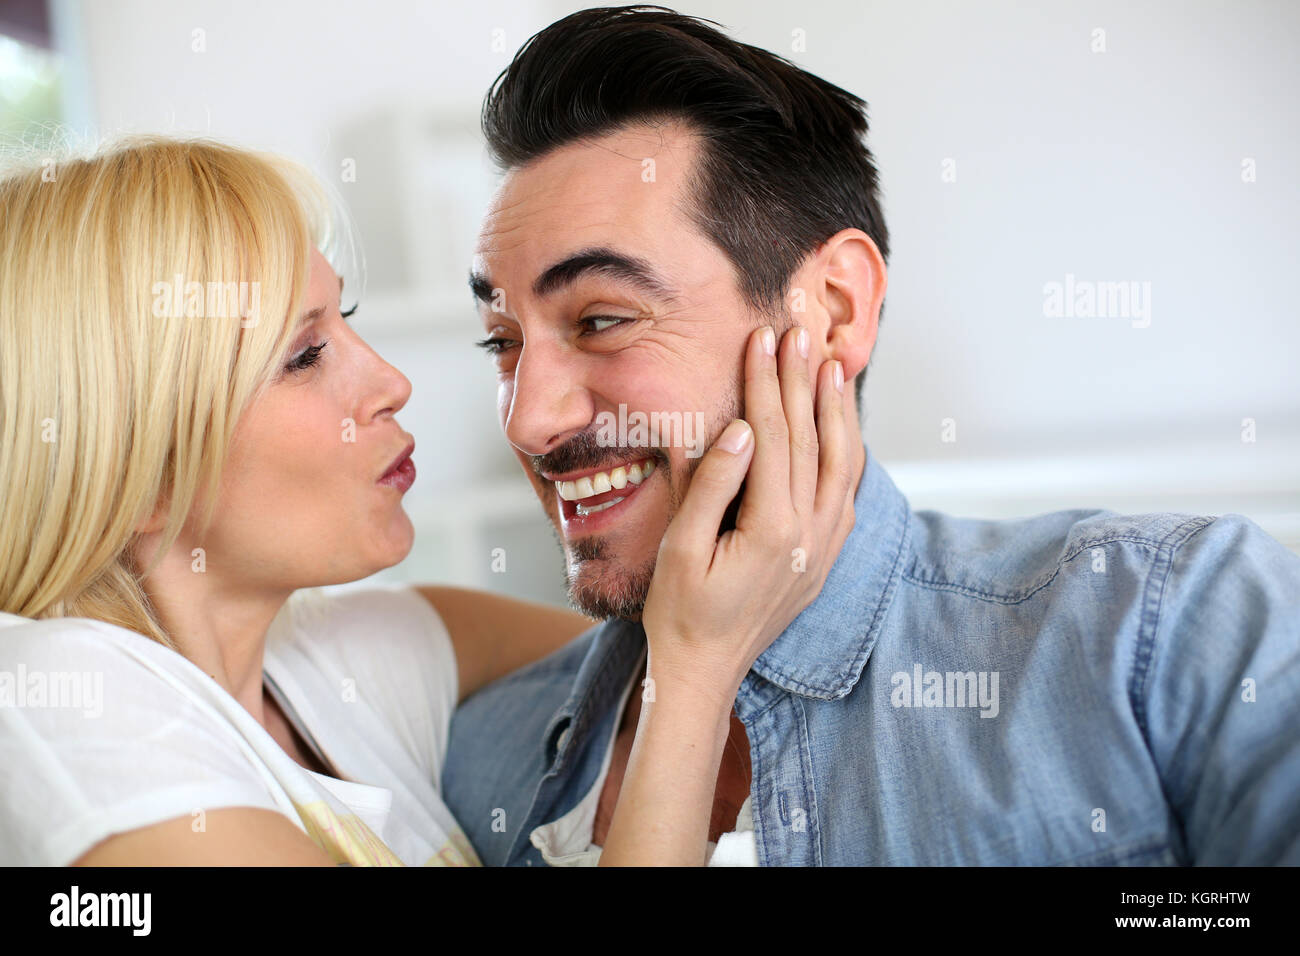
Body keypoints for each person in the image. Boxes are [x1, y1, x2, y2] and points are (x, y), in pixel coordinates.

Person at [441, 5, 1300, 866]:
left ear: (835, 310)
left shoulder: (1166, 627)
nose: (528, 418)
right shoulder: (483, 763)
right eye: (502, 342)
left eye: (601, 319)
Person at [0, 134, 858, 866]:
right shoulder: (54, 699)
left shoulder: (346, 664)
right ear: (138, 470)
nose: (391, 382)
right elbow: (682, 653)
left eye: (348, 324)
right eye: (304, 357)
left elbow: (653, 655)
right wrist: (696, 670)